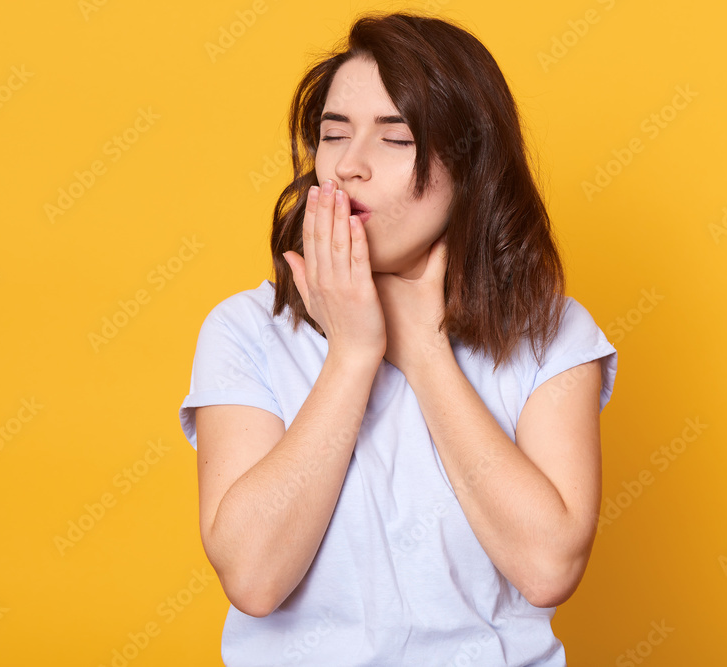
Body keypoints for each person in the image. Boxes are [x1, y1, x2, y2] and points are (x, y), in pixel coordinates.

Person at [178, 11, 617, 666]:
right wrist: (355, 354)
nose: (349, 167)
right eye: (333, 135)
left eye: (395, 138)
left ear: (469, 165)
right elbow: (252, 577)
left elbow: (549, 564)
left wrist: (422, 347)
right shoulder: (246, 330)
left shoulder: (552, 333)